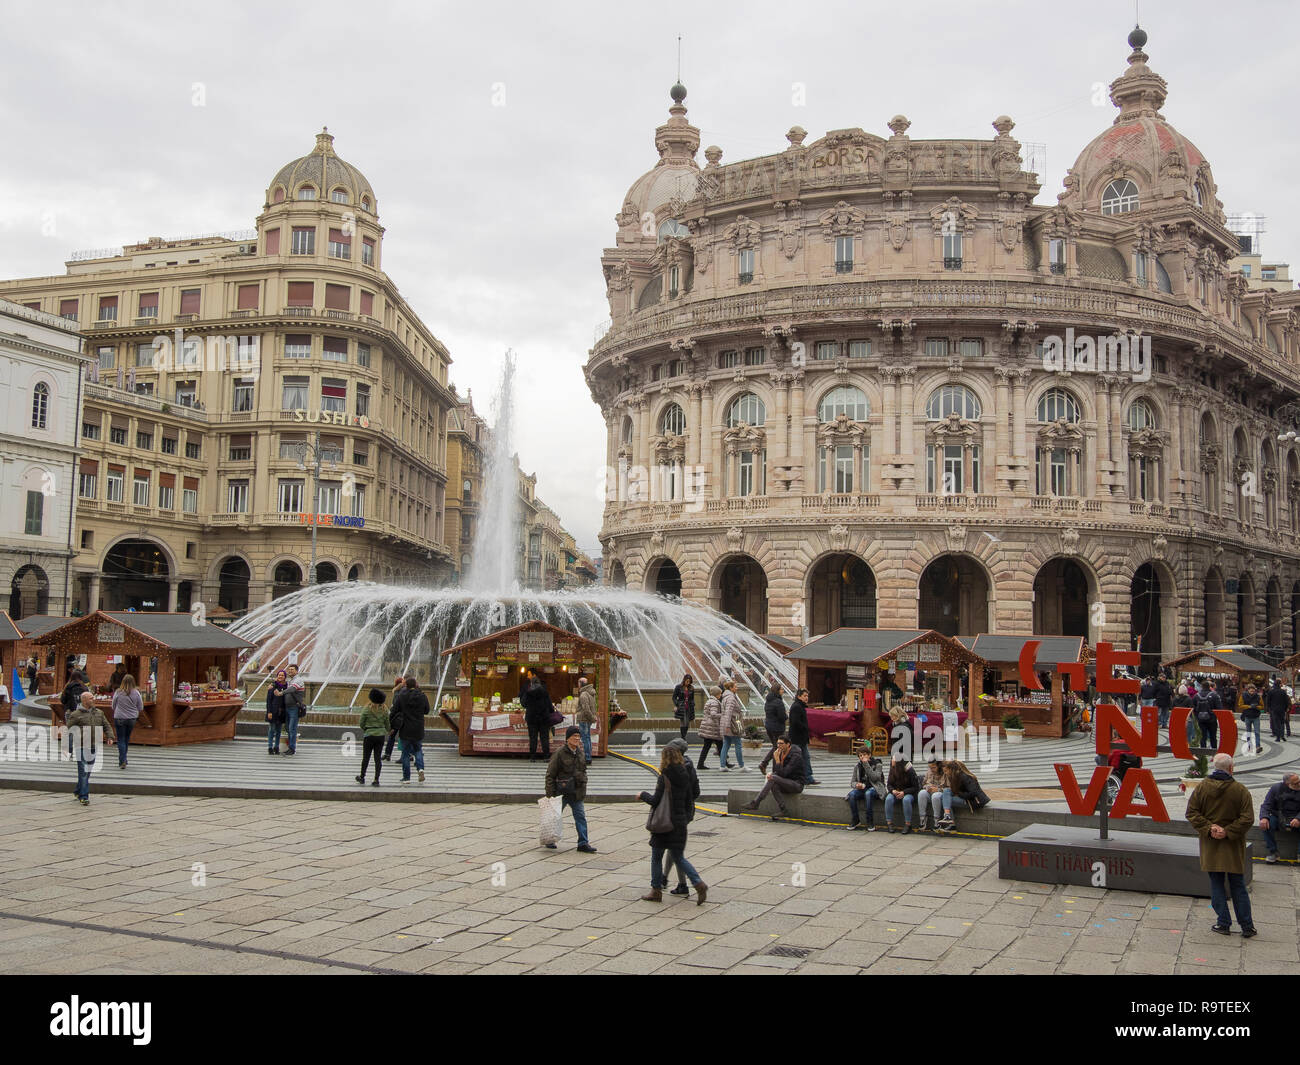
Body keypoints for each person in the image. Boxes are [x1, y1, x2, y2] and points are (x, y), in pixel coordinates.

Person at [1185, 752, 1256, 938]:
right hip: (1232, 845)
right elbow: (1248, 818)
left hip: (1211, 845)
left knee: (1216, 883)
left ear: (1214, 766)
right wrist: (1228, 831)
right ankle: (1247, 926)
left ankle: (1223, 923)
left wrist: (1210, 828)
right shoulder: (1240, 790)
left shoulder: (1202, 788)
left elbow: (1192, 812)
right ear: (1231, 768)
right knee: (1238, 885)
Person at [639, 744, 705, 903]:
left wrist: (642, 795)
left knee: (656, 857)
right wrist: (686, 817)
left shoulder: (664, 776)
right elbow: (691, 797)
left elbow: (655, 800)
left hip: (664, 824)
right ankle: (698, 883)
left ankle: (656, 890)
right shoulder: (685, 774)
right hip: (680, 822)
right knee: (678, 857)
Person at [546, 726, 596, 853]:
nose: (577, 739)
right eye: (574, 736)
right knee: (555, 816)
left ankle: (583, 842)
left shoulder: (580, 753)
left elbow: (583, 770)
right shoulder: (559, 753)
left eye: (578, 737)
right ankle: (550, 839)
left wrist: (583, 783)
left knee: (580, 817)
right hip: (561, 792)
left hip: (576, 792)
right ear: (567, 739)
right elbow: (550, 774)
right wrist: (550, 794)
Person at [662, 737, 701, 896]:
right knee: (674, 847)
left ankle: (686, 883)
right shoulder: (689, 765)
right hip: (687, 810)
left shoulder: (675, 768)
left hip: (676, 812)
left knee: (675, 850)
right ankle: (665, 878)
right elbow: (697, 791)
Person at [67, 690, 114, 806]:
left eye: (93, 698)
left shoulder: (99, 713)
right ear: (84, 700)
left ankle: (78, 790)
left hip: (94, 745)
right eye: (91, 698)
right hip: (81, 746)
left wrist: (110, 736)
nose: (93, 700)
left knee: (87, 772)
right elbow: (69, 731)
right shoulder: (76, 715)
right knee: (84, 772)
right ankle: (84, 796)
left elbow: (106, 725)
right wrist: (68, 748)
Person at [742, 735, 804, 818]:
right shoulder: (778, 753)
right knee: (773, 783)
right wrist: (771, 774)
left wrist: (777, 761)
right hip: (784, 782)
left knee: (773, 778)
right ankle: (784, 810)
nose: (779, 746)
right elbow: (777, 772)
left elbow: (785, 773)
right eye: (778, 743)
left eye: (781, 744)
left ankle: (756, 803)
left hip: (796, 784)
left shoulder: (796, 756)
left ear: (788, 744)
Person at [1258, 772, 1300, 864]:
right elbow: (1266, 805)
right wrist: (1264, 817)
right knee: (1266, 825)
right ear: (1286, 783)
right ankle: (1273, 852)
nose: (1298, 784)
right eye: (1295, 783)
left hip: (1296, 815)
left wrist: (1298, 818)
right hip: (1279, 816)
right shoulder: (1276, 788)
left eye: (1299, 781)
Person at [940, 758, 991, 832]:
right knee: (946, 792)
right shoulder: (955, 776)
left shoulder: (965, 776)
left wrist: (958, 794)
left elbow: (973, 792)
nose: (945, 773)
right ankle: (948, 817)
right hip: (966, 799)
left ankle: (951, 823)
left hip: (974, 801)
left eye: (946, 771)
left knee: (945, 799)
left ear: (951, 769)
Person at [356, 688, 388, 786]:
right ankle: (376, 779)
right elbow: (387, 723)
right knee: (377, 758)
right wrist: (386, 730)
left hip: (369, 735)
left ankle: (362, 777)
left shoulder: (367, 709)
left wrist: (366, 729)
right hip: (380, 736)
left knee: (366, 757)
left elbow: (361, 722)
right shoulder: (384, 710)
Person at [788, 687, 820, 786]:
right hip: (798, 738)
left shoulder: (799, 706)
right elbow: (795, 722)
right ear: (799, 696)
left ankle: (806, 777)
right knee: (802, 758)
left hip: (800, 738)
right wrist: (806, 728)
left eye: (807, 696)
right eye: (804, 696)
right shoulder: (797, 707)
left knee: (803, 758)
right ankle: (806, 777)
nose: (807, 698)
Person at [521, 667, 554, 762]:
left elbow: (523, 704)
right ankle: (546, 756)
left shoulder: (528, 692)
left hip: (531, 718)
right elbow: (550, 705)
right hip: (544, 718)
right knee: (544, 737)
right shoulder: (545, 692)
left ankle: (532, 757)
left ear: (531, 683)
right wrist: (550, 712)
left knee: (533, 737)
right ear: (539, 683)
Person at [110, 673, 143, 769]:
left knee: (121, 739)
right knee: (126, 739)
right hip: (132, 718)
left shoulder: (118, 692)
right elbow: (140, 707)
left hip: (119, 717)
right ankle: (124, 758)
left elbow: (113, 705)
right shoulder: (136, 693)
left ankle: (122, 760)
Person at [846, 750, 885, 830]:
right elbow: (852, 782)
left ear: (869, 755)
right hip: (863, 788)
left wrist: (866, 764)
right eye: (860, 756)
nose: (862, 757)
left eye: (864, 755)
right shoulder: (857, 766)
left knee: (868, 793)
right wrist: (857, 785)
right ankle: (856, 819)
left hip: (876, 788)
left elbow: (875, 778)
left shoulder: (877, 764)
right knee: (852, 795)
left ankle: (870, 821)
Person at [883, 755, 920, 833]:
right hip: (896, 792)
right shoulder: (892, 768)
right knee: (888, 799)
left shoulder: (909, 770)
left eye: (893, 759)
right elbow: (889, 784)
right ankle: (889, 823)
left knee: (906, 800)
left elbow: (916, 787)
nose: (891, 760)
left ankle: (908, 824)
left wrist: (904, 792)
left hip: (909, 792)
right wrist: (893, 791)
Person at [719, 681, 750, 772]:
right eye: (735, 687)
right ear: (731, 688)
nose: (737, 688)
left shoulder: (725, 697)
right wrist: (728, 725)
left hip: (726, 723)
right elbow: (729, 712)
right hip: (732, 724)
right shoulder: (731, 698)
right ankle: (741, 766)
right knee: (738, 744)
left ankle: (722, 765)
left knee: (726, 744)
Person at [696, 686, 725, 769]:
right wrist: (723, 715)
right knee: (719, 746)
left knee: (715, 746)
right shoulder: (715, 702)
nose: (721, 695)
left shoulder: (710, 701)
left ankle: (700, 764)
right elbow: (713, 714)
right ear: (717, 694)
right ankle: (700, 764)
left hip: (709, 727)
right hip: (712, 728)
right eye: (720, 694)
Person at [917, 757, 946, 833]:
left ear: (939, 766)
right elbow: (924, 783)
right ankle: (922, 819)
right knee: (921, 793)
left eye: (934, 767)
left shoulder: (945, 772)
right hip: (930, 792)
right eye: (930, 767)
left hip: (940, 794)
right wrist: (927, 787)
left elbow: (949, 788)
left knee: (935, 796)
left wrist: (938, 789)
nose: (932, 769)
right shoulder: (929, 771)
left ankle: (937, 821)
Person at [1191, 680, 1221, 750]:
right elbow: (1219, 708)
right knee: (1213, 737)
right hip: (1212, 720)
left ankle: (1203, 752)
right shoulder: (1214, 695)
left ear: (1201, 687)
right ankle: (1213, 752)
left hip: (1200, 720)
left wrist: (1197, 716)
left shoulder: (1196, 696)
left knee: (1202, 736)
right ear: (1209, 687)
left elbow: (1192, 708)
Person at [283, 664, 305, 755]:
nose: (290, 671)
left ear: (297, 671)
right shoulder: (290, 680)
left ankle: (292, 748)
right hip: (287, 707)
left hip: (294, 708)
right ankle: (290, 747)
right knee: (288, 728)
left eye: (292, 669)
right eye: (289, 669)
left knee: (292, 728)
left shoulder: (298, 680)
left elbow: (292, 689)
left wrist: (281, 693)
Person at [575, 676, 597, 764]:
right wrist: (592, 718)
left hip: (584, 719)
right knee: (587, 738)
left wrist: (591, 718)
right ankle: (588, 756)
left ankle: (587, 757)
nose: (578, 684)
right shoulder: (591, 693)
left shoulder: (584, 694)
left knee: (585, 739)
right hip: (588, 719)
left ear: (581, 683)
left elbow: (586, 709)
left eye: (578, 683)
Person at [265, 669, 287, 754]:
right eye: (279, 675)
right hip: (273, 711)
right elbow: (269, 700)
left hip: (281, 712)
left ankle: (276, 747)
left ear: (285, 677)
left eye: (282, 675)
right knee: (272, 729)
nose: (280, 677)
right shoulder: (273, 686)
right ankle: (270, 747)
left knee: (278, 731)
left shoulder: (286, 687)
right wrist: (269, 712)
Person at [382, 675, 404, 761]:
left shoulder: (397, 692)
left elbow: (395, 707)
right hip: (403, 718)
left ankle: (388, 754)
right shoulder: (404, 691)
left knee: (392, 736)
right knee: (403, 737)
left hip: (397, 718)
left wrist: (390, 718)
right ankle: (406, 755)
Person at [671, 674, 697, 740]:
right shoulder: (678, 687)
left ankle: (683, 736)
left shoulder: (691, 688)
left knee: (687, 722)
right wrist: (677, 705)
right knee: (683, 722)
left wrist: (693, 703)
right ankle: (683, 737)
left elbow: (692, 698)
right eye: (687, 681)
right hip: (681, 707)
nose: (688, 683)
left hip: (689, 707)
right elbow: (674, 697)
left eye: (689, 681)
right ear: (684, 680)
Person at [1265, 677, 1291, 744]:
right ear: (1279, 684)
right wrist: (1286, 708)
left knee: (1276, 723)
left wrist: (1268, 709)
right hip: (1282, 709)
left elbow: (1268, 701)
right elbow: (1286, 701)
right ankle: (1282, 735)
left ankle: (1278, 737)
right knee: (1282, 723)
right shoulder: (1283, 692)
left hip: (1274, 710)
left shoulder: (1271, 691)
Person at [1239, 683, 1263, 754]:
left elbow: (1262, 706)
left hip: (1256, 716)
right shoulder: (1243, 696)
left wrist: (1257, 707)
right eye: (1251, 690)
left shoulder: (1258, 697)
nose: (1252, 692)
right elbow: (1240, 705)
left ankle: (1258, 746)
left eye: (1253, 691)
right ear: (1248, 690)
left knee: (1257, 732)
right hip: (1247, 716)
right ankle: (1249, 746)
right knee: (1248, 732)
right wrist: (1249, 706)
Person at [763, 682, 787, 747]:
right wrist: (786, 716)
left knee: (776, 746)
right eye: (781, 689)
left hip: (769, 727)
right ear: (777, 690)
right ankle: (769, 757)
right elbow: (782, 716)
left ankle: (770, 757)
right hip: (777, 728)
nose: (783, 691)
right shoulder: (778, 702)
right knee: (779, 747)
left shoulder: (768, 701)